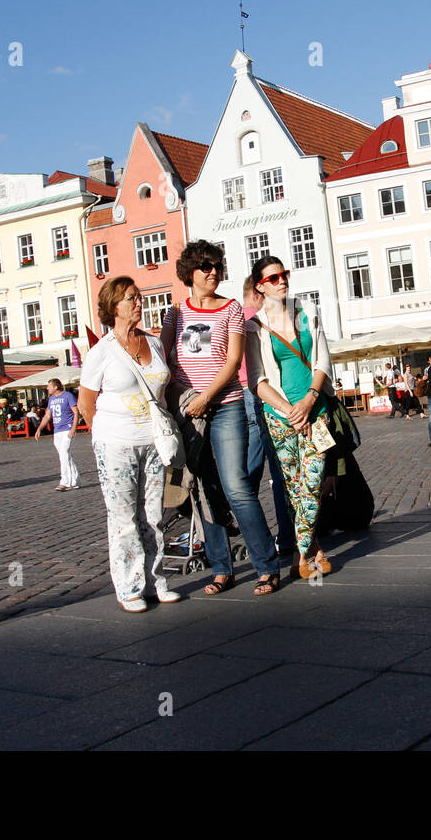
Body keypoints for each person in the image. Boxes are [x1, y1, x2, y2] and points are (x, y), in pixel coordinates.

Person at [161, 240, 280, 597]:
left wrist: (205, 398)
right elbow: (162, 357)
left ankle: (267, 566)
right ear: (190, 274)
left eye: (216, 266)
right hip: (188, 410)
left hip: (225, 404)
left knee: (237, 487)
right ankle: (221, 569)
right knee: (203, 490)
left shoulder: (230, 310)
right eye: (205, 266)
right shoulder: (175, 313)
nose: (213, 272)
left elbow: (232, 362)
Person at [77, 276, 179, 612]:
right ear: (113, 307)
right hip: (115, 443)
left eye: (138, 297)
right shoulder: (100, 352)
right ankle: (129, 588)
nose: (138, 302)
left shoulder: (154, 344)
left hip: (153, 443)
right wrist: (103, 435)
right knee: (123, 518)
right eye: (130, 298)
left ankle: (156, 581)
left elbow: (164, 389)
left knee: (154, 515)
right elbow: (86, 404)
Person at [244, 257, 335, 581]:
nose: (281, 281)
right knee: (296, 489)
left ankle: (302, 548)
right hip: (280, 419)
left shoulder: (308, 311)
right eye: (273, 278)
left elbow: (323, 358)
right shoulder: (254, 327)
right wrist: (290, 411)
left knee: (313, 483)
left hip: (317, 411)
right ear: (260, 285)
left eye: (284, 274)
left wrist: (310, 400)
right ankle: (312, 551)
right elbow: (257, 380)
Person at [240, 276, 296, 563]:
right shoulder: (258, 320)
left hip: (246, 394)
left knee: (250, 470)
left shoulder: (238, 318)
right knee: (278, 470)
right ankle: (286, 536)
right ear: (257, 292)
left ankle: (244, 523)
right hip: (263, 393)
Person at [36, 378, 80, 491]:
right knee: (65, 455)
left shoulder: (68, 396)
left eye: (49, 386)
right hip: (57, 431)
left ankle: (65, 482)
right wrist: (40, 428)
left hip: (67, 429)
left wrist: (73, 429)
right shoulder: (51, 399)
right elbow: (47, 416)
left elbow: (76, 412)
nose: (47, 388)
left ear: (55, 387)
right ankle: (75, 480)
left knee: (64, 454)